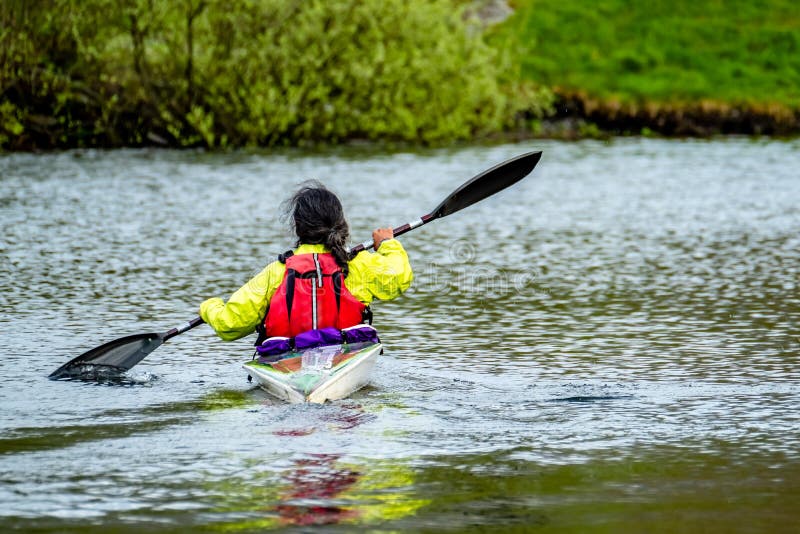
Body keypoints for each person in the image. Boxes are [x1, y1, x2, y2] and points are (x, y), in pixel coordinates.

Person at [199, 182, 413, 343]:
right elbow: (399, 279)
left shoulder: (275, 272)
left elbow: (229, 324)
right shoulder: (358, 264)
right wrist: (387, 244)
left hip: (288, 362)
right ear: (340, 223)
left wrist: (210, 307)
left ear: (298, 226)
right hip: (344, 357)